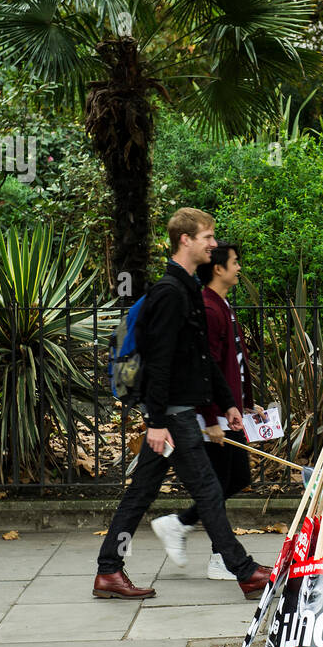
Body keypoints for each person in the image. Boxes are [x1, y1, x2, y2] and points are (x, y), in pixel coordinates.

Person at [92, 209, 271, 600]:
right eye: (207, 236)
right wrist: (157, 422)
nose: (213, 243)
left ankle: (108, 570)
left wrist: (226, 403)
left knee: (141, 493)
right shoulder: (170, 293)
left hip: (178, 412)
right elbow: (160, 363)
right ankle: (245, 572)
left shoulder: (188, 289)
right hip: (172, 416)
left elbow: (200, 360)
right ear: (185, 240)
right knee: (208, 491)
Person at [152, 242, 263, 580]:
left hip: (224, 412)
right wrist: (214, 417)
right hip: (209, 417)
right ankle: (219, 556)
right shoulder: (210, 308)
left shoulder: (221, 305)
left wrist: (242, 402)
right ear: (219, 268)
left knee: (236, 478)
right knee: (216, 484)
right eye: (235, 262)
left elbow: (232, 363)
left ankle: (180, 524)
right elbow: (205, 367)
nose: (239, 267)